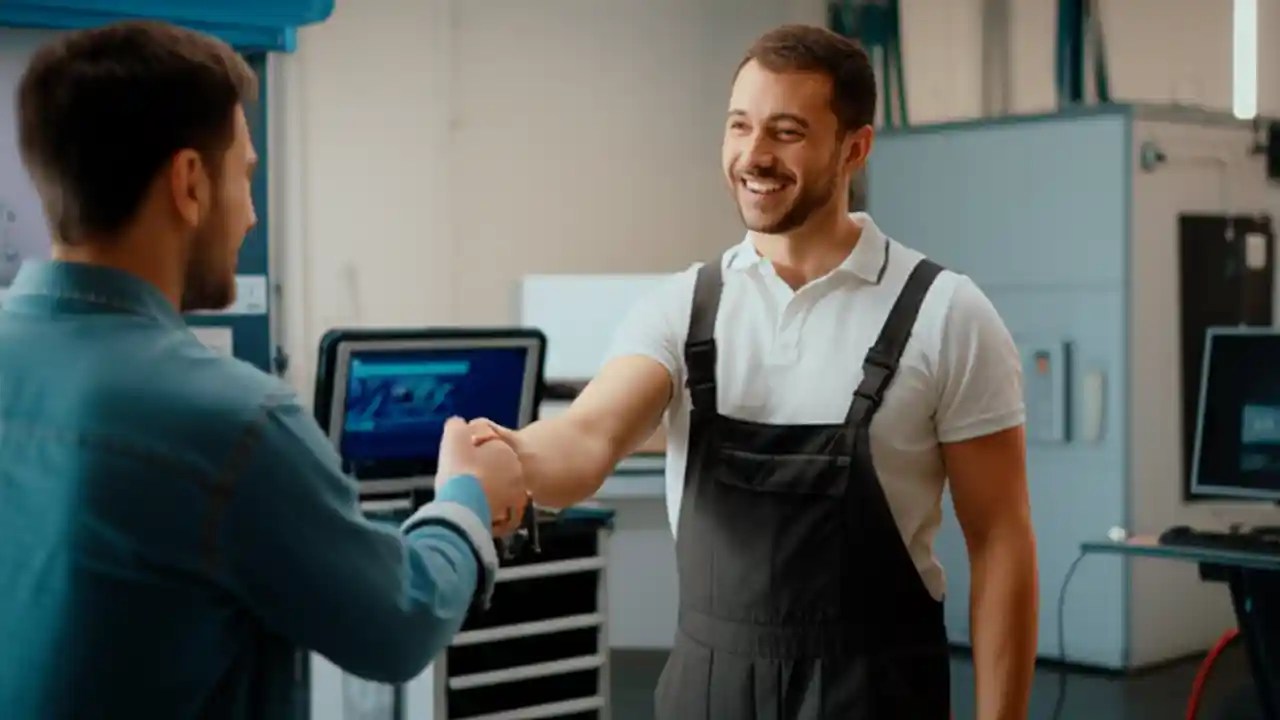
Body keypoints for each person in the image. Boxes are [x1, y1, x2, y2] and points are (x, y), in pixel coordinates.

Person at [474, 24, 1038, 719]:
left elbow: (1001, 539)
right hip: (707, 694)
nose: (754, 155)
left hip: (877, 691)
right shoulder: (686, 306)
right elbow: (590, 436)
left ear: (854, 148)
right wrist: (508, 454)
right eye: (739, 125)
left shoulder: (946, 315)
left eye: (787, 131)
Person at [0, 20, 527, 719]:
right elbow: (401, 623)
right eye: (244, 177)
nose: (249, 214)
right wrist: (465, 498)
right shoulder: (231, 423)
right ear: (189, 183)